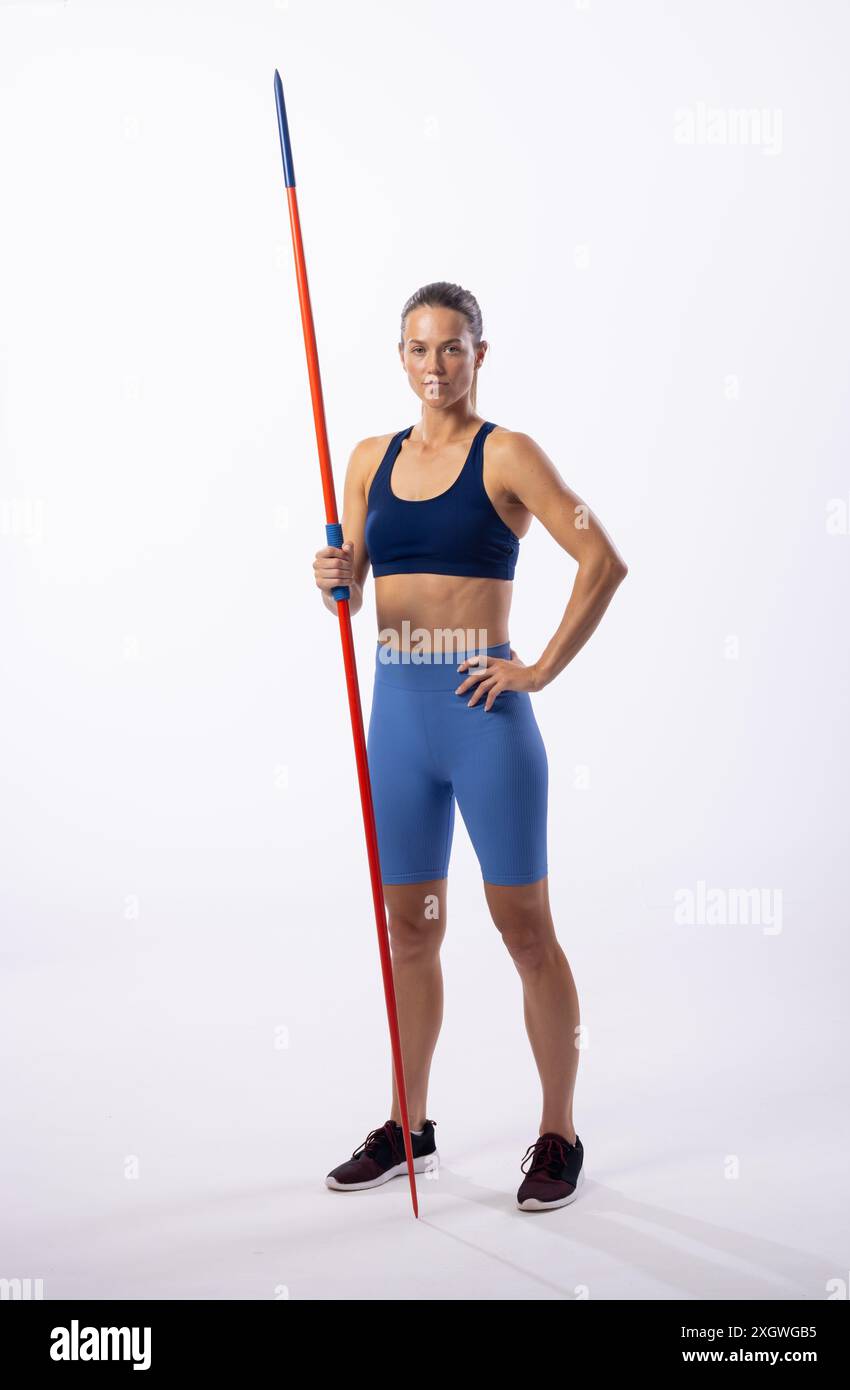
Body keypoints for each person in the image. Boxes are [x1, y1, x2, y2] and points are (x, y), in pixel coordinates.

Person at [312, 281, 628, 1211]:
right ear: (400, 358)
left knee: (524, 931)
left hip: (481, 713)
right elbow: (355, 587)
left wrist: (537, 670)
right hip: (396, 713)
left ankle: (559, 1134)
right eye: (418, 348)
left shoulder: (510, 455)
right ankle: (410, 1125)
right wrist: (333, 576)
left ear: (479, 355)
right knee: (409, 932)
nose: (435, 365)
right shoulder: (368, 458)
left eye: (452, 348)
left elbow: (601, 559)